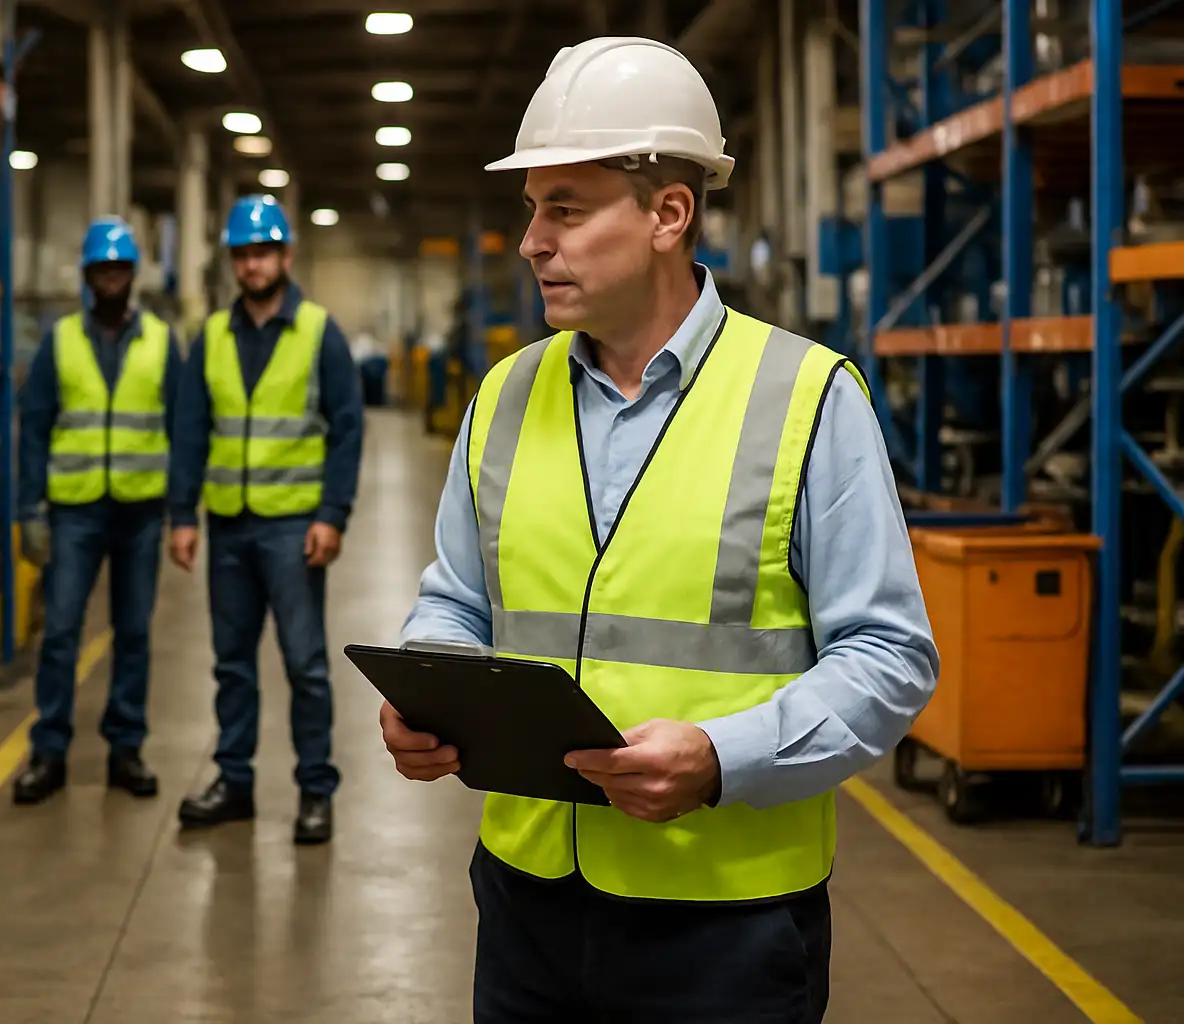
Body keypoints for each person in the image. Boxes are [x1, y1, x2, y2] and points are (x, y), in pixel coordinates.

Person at [385, 37, 939, 1022]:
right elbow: (458, 597)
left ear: (667, 215)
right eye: (532, 211)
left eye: (566, 208)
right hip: (527, 906)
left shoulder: (807, 399)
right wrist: (432, 685)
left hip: (724, 924)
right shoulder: (505, 397)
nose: (532, 242)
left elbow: (888, 656)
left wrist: (724, 757)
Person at [167, 194, 365, 845]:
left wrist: (332, 514)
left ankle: (316, 789)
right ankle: (235, 783)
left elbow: (347, 429)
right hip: (227, 526)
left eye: (263, 253)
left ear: (285, 256)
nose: (252, 266)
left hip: (292, 527)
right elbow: (192, 430)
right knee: (232, 663)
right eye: (242, 255)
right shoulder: (213, 339)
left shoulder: (317, 331)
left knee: (304, 662)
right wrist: (182, 515)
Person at [12, 216, 182, 805]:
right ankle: (49, 750)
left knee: (132, 634)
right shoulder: (59, 341)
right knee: (59, 632)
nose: (111, 278)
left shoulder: (161, 341)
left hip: (140, 511)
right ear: (88, 275)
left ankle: (125, 749)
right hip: (75, 510)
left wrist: (181, 509)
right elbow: (33, 427)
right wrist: (28, 508)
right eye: (101, 269)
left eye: (119, 269)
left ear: (132, 275)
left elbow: (181, 427)